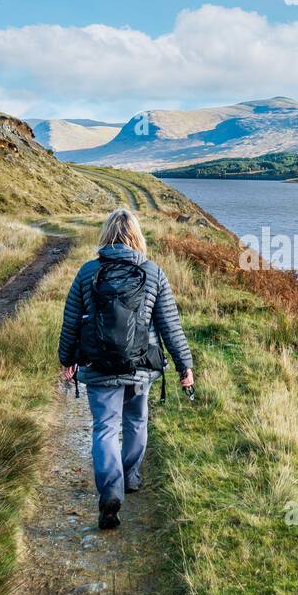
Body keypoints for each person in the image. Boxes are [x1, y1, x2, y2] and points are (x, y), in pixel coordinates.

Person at [58, 208, 193, 529]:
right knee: (136, 420)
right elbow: (170, 326)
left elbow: (71, 322)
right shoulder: (153, 272)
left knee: (104, 427)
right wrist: (184, 366)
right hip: (140, 366)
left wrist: (67, 360)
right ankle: (130, 476)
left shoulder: (87, 272)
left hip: (97, 364)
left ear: (106, 235)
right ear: (137, 236)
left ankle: (110, 491)